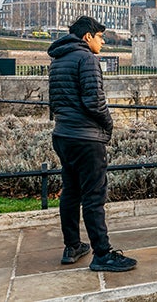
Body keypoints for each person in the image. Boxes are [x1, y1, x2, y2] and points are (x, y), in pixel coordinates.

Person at [48, 16, 137, 272]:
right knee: (94, 196)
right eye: (100, 37)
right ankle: (102, 253)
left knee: (71, 191)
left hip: (63, 134)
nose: (103, 42)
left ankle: (73, 245)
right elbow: (95, 101)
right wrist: (108, 125)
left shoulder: (58, 59)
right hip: (86, 137)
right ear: (87, 36)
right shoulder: (87, 58)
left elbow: (55, 101)